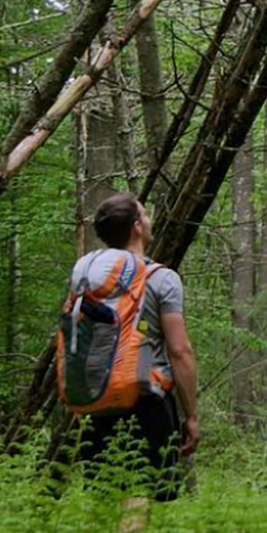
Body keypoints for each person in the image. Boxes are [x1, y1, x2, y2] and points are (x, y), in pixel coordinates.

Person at [69, 191, 199, 497]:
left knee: (104, 500)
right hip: (147, 401)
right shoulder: (162, 278)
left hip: (97, 400)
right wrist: (191, 415)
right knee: (140, 498)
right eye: (145, 214)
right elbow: (179, 351)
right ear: (137, 226)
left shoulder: (86, 278)